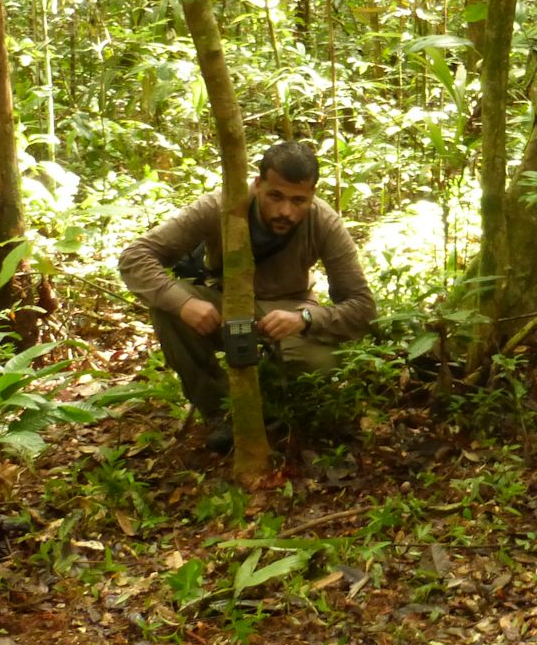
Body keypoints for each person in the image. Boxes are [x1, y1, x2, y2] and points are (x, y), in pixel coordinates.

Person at [119, 142, 375, 451]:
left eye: (299, 201)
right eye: (275, 196)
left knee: (320, 366)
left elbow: (362, 305)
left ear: (312, 196)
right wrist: (184, 303)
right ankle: (219, 410)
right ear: (257, 185)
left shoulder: (323, 221)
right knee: (168, 310)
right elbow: (135, 257)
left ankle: (279, 408)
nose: (286, 211)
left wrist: (306, 319)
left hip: (290, 309)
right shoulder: (221, 206)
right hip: (225, 305)